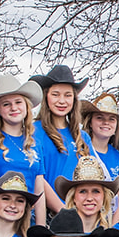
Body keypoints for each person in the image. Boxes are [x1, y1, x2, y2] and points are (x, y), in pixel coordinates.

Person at [0, 75, 46, 223]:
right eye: (6, 104)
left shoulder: (35, 143)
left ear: (26, 106)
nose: (14, 108)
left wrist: (40, 233)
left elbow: (40, 192)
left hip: (26, 220)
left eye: (18, 102)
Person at [29, 64, 89, 215]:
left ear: (74, 99)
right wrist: (62, 211)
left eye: (67, 95)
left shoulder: (83, 137)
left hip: (77, 213)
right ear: (46, 96)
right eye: (55, 94)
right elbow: (37, 176)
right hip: (43, 213)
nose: (62, 101)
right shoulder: (33, 132)